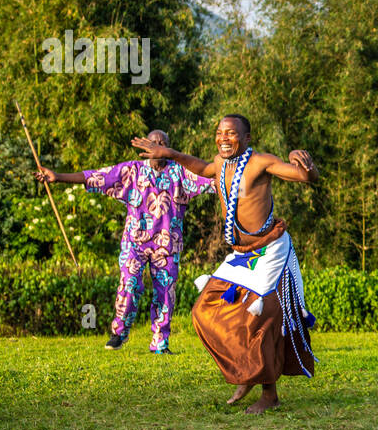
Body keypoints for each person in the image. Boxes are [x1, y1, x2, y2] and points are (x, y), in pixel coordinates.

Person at [131, 115, 319, 414]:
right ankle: (246, 370)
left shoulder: (261, 162)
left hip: (270, 250)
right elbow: (203, 168)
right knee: (204, 310)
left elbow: (304, 178)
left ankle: (269, 394)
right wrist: (170, 154)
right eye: (219, 133)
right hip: (240, 253)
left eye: (231, 133)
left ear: (246, 138)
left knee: (261, 319)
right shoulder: (220, 163)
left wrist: (305, 166)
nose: (223, 138)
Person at [35, 129, 212, 353]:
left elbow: (213, 180)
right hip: (135, 243)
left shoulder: (181, 173)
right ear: (146, 146)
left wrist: (243, 179)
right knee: (129, 285)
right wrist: (58, 177)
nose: (158, 146)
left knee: (165, 294)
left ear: (168, 147)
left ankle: (160, 343)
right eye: (154, 142)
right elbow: (96, 176)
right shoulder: (132, 170)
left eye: (162, 143)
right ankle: (119, 333)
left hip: (167, 245)